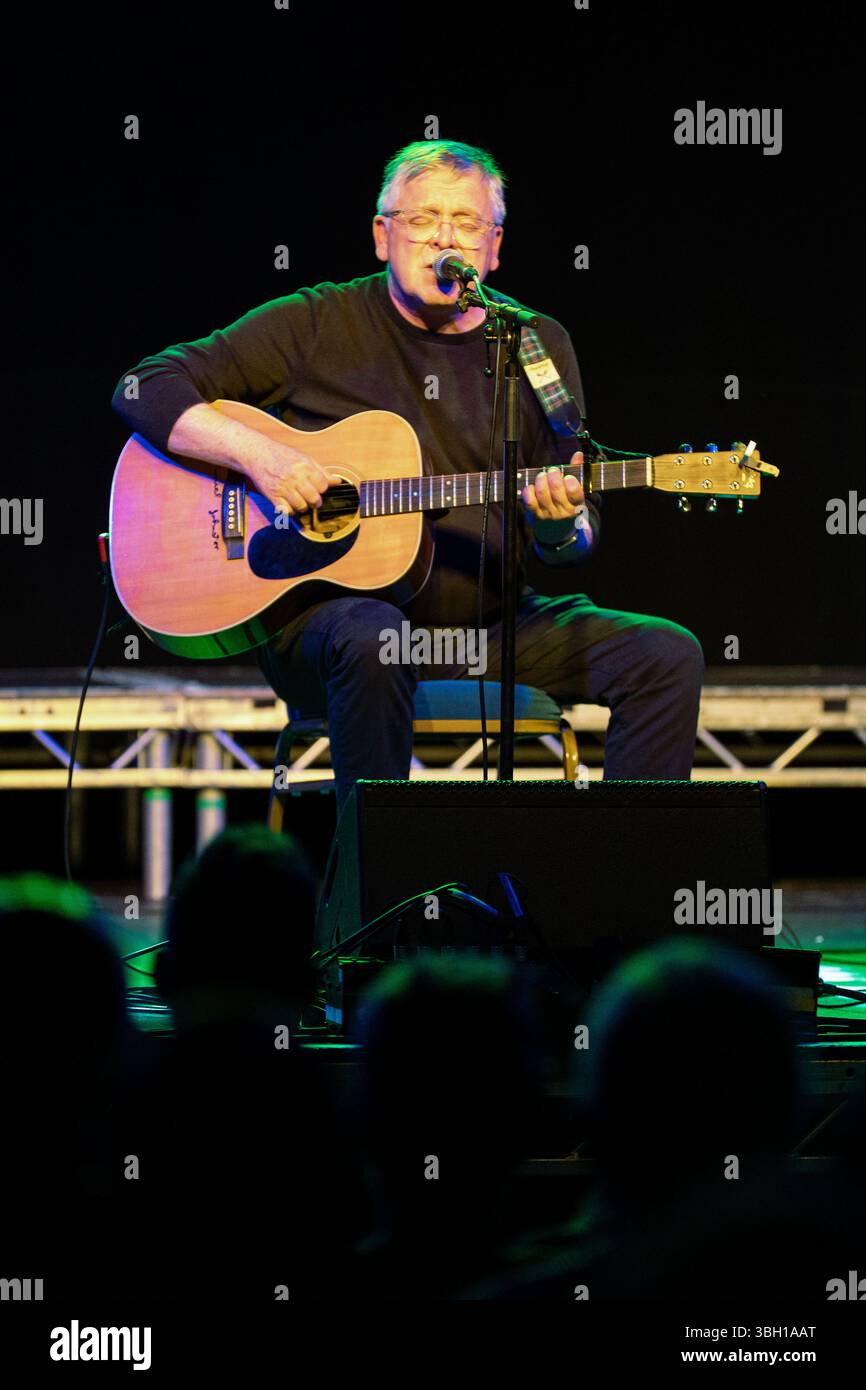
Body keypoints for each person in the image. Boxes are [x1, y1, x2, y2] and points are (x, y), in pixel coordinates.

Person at [112, 139, 704, 811]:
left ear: (495, 246)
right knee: (373, 634)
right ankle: (380, 899)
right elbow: (143, 386)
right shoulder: (317, 323)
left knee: (666, 655)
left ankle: (629, 900)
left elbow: (576, 538)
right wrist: (264, 458)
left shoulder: (536, 345)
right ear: (382, 235)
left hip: (490, 631)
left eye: (467, 222)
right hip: (333, 633)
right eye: (422, 219)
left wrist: (558, 528)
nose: (443, 238)